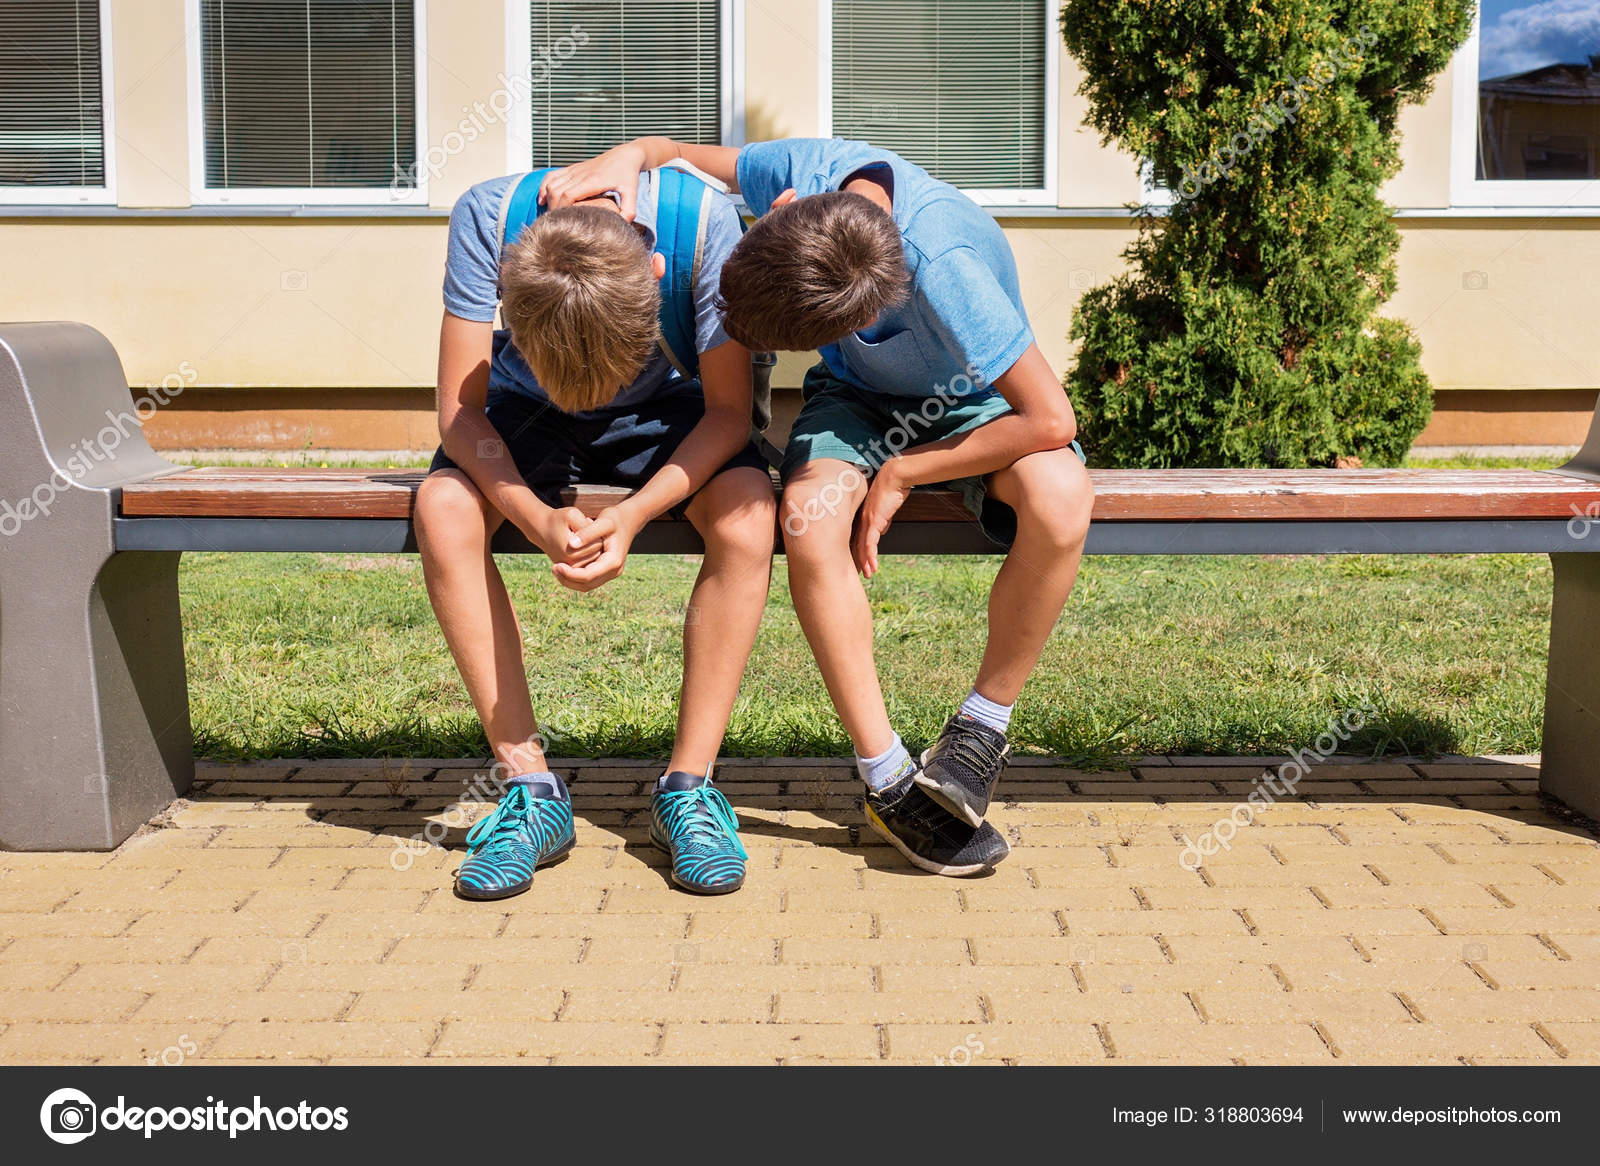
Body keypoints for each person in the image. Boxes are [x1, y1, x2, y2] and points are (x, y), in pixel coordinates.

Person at [542, 138, 1093, 878]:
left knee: (1061, 501)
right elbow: (680, 152)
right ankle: (887, 777)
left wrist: (904, 471)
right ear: (782, 209)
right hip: (859, 402)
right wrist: (631, 155)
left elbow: (1052, 420)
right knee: (805, 520)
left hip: (977, 408)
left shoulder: (945, 266)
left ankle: (980, 730)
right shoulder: (806, 170)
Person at [416, 163, 776, 900]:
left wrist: (635, 512)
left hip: (671, 412)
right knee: (443, 507)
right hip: (524, 408)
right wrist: (534, 514)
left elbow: (728, 414)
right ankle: (530, 793)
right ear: (510, 288)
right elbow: (460, 411)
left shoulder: (705, 227)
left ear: (656, 273)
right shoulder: (487, 219)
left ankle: (687, 788)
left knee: (749, 509)